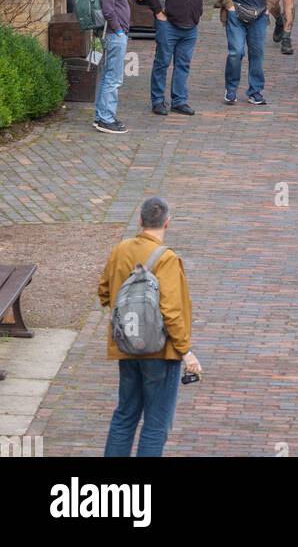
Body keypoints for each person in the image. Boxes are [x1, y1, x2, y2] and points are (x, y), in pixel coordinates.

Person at [99, 196, 201, 458]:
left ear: (140, 220)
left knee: (125, 416)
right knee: (156, 424)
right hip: (160, 351)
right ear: (167, 223)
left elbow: (104, 292)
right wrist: (185, 351)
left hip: (127, 346)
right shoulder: (167, 258)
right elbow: (171, 310)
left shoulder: (120, 249)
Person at [137, 0, 214, 116]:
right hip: (168, 23)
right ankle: (157, 101)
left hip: (191, 23)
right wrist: (158, 12)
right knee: (162, 62)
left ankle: (179, 101)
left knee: (183, 63)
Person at [94, 0, 131, 134]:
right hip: (114, 35)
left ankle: (102, 116)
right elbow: (108, 9)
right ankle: (106, 119)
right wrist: (118, 31)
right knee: (113, 78)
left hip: (117, 34)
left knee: (108, 75)